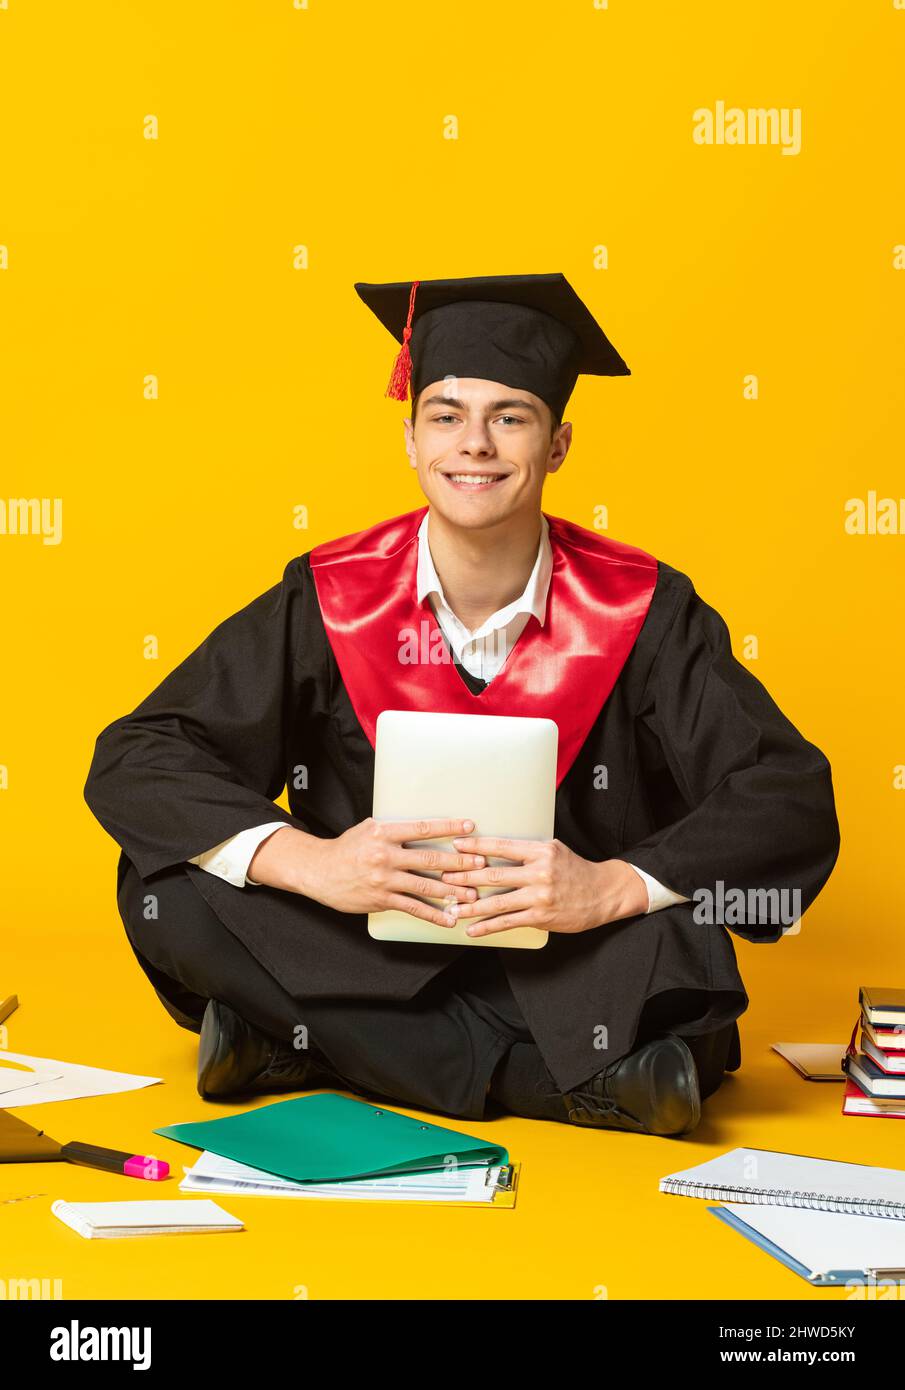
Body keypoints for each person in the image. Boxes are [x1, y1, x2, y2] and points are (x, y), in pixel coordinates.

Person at [84, 273, 840, 1137]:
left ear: (556, 444)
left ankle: (310, 1048)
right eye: (445, 414)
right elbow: (141, 755)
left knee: (681, 948)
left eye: (508, 416)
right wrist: (314, 863)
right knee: (165, 884)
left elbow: (785, 790)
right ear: (410, 439)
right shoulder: (329, 595)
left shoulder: (647, 609)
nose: (472, 444)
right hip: (360, 942)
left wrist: (607, 888)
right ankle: (571, 1082)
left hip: (571, 959)